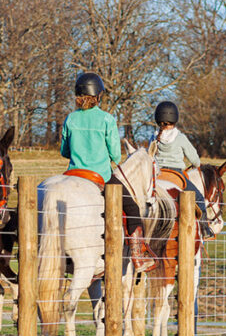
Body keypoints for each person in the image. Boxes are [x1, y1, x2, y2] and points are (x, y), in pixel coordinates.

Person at [60, 72, 155, 273]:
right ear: (98, 95)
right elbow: (116, 156)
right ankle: (138, 256)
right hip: (100, 176)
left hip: (74, 174)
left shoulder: (70, 119)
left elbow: (64, 151)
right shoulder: (107, 119)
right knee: (132, 209)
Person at [152, 101, 208, 227]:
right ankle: (205, 230)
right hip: (176, 175)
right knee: (199, 199)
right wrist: (195, 164)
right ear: (175, 118)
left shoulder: (154, 137)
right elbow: (195, 160)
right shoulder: (180, 137)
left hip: (157, 174)